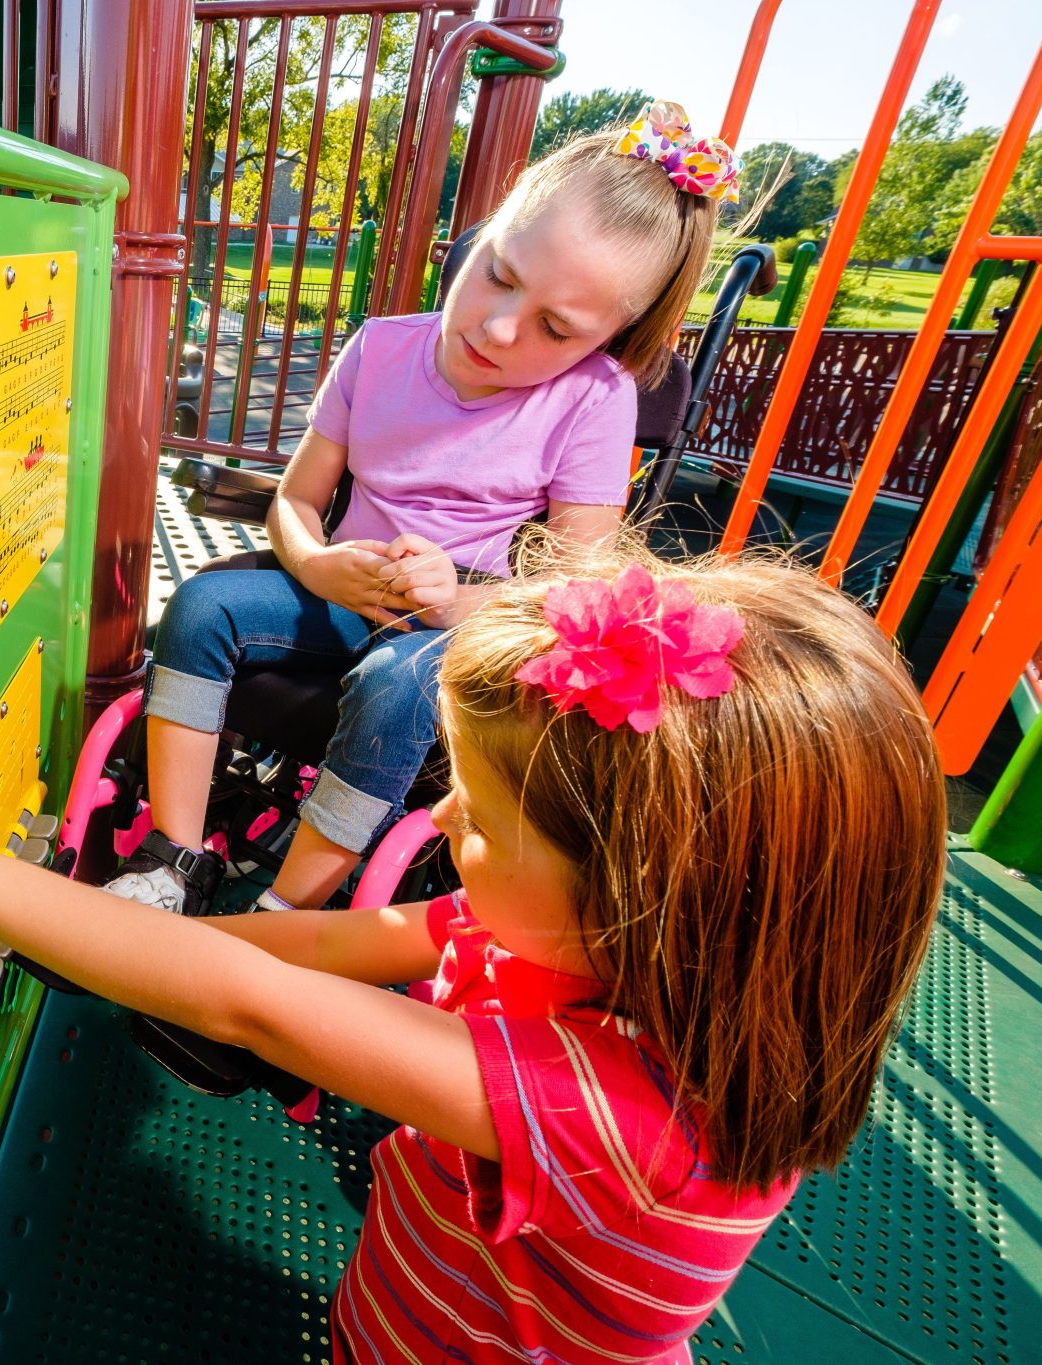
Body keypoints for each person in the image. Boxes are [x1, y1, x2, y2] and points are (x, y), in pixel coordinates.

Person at [0, 543, 949, 1364]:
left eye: (480, 820)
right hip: (416, 1312)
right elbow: (294, 944)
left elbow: (248, 1003)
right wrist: (143, 933)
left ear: (645, 902)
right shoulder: (568, 945)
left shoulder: (607, 1113)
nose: (442, 825)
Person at [110, 101, 737, 919]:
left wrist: (456, 601)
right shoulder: (381, 346)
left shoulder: (596, 400)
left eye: (554, 326)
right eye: (499, 274)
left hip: (469, 612)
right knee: (199, 605)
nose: (500, 327)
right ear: (481, 240)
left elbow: (575, 592)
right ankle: (175, 860)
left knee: (397, 685)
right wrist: (316, 564)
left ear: (607, 339)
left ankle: (287, 912)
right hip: (346, 582)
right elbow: (298, 501)